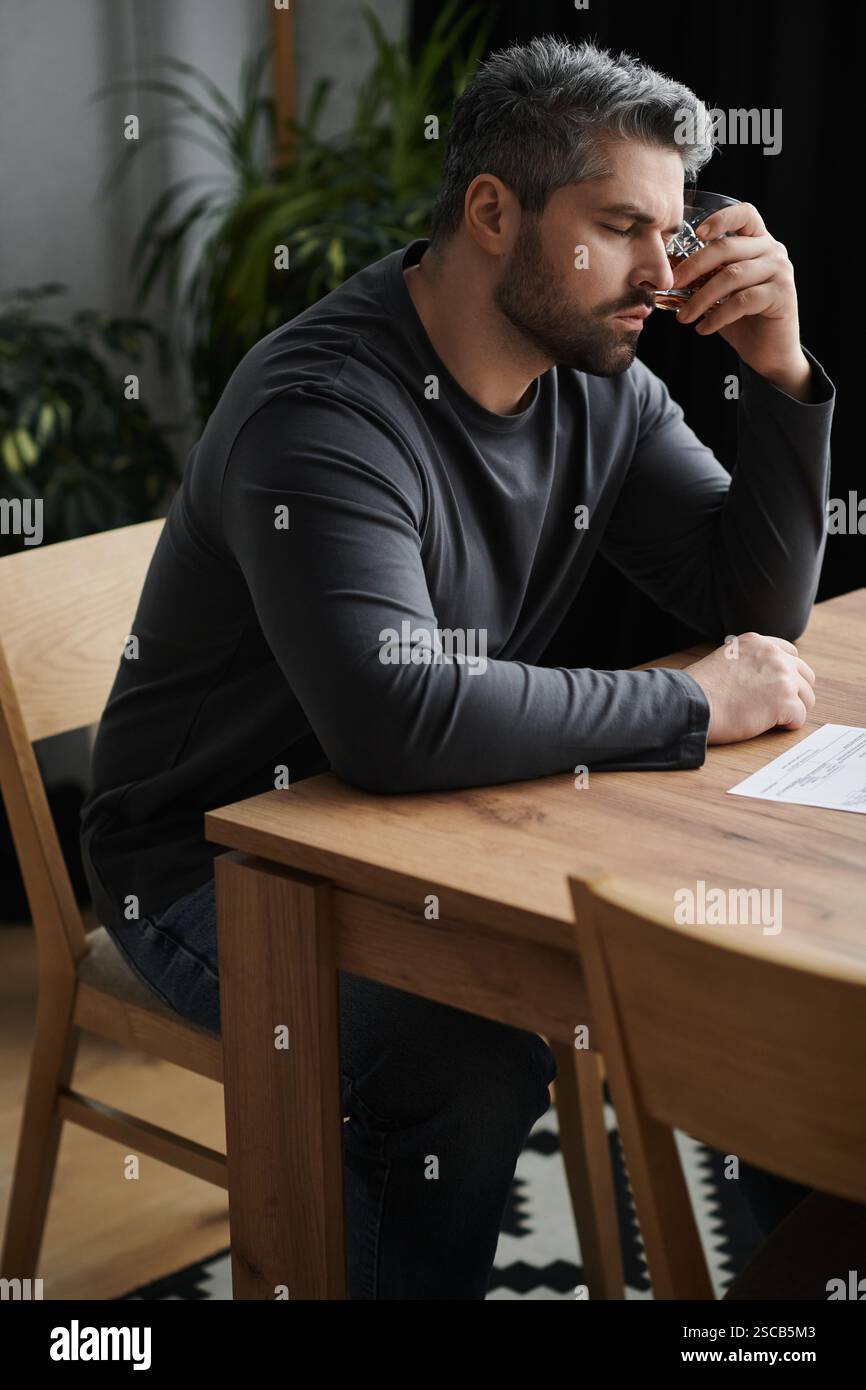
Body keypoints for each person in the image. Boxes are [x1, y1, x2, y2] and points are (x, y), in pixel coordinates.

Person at [80, 35, 835, 1297]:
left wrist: (777, 370)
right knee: (461, 1063)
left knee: (783, 1000)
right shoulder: (322, 410)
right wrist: (693, 704)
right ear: (492, 210)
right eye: (619, 225)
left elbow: (749, 608)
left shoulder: (597, 374)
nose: (663, 271)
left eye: (673, 227)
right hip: (219, 859)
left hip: (442, 822)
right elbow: (393, 714)